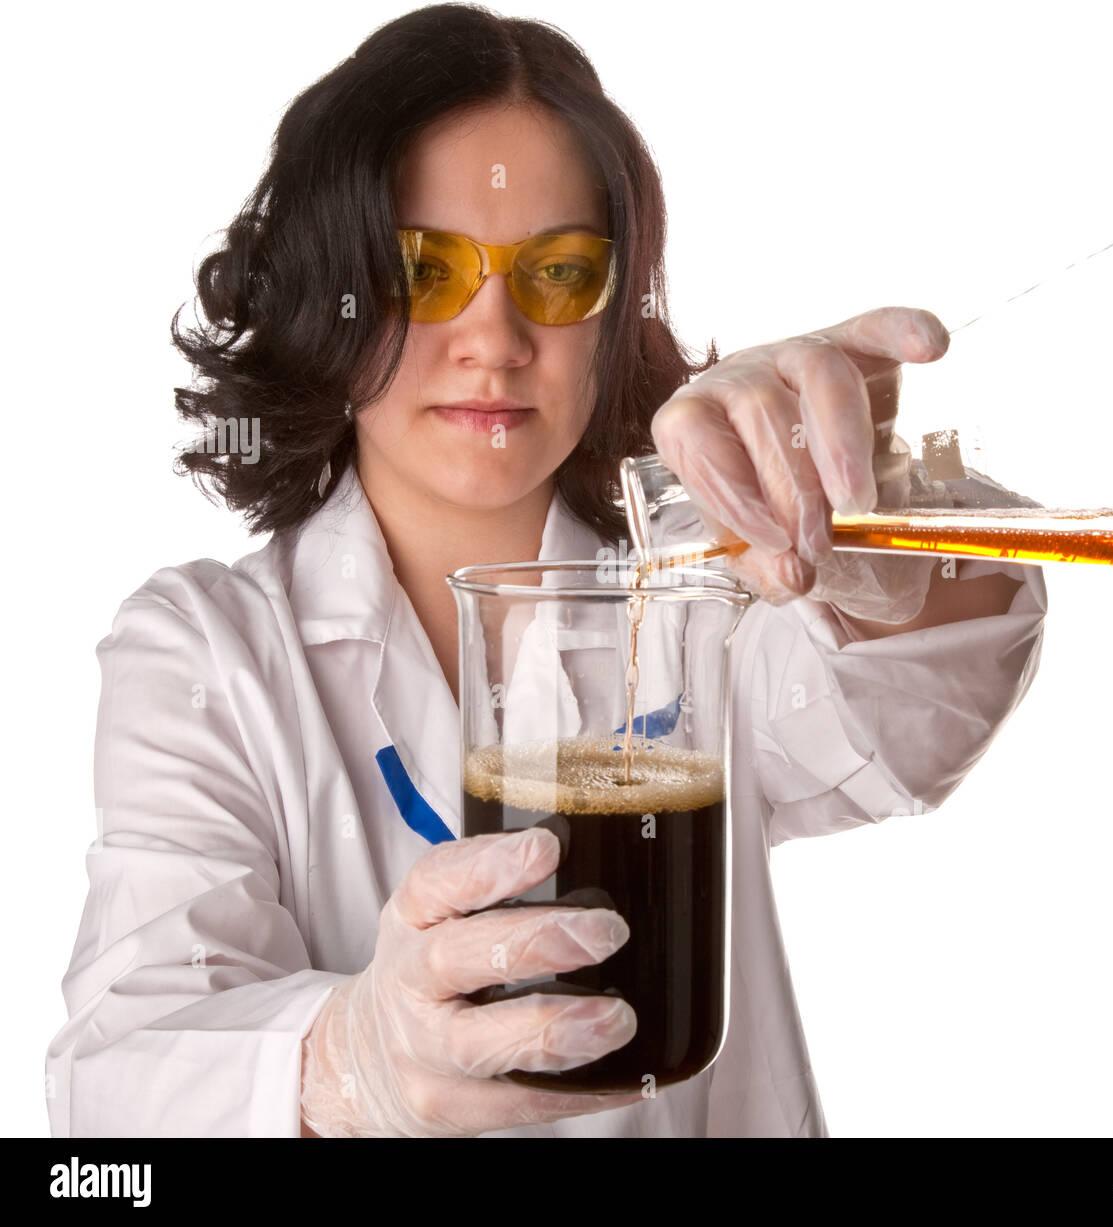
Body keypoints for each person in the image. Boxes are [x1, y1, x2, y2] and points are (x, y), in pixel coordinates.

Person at [45, 3, 1047, 1138]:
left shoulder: (702, 585)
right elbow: (114, 1088)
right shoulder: (206, 652)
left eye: (562, 273)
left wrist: (864, 528)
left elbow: (916, 703)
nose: (497, 335)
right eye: (424, 269)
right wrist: (351, 1060)